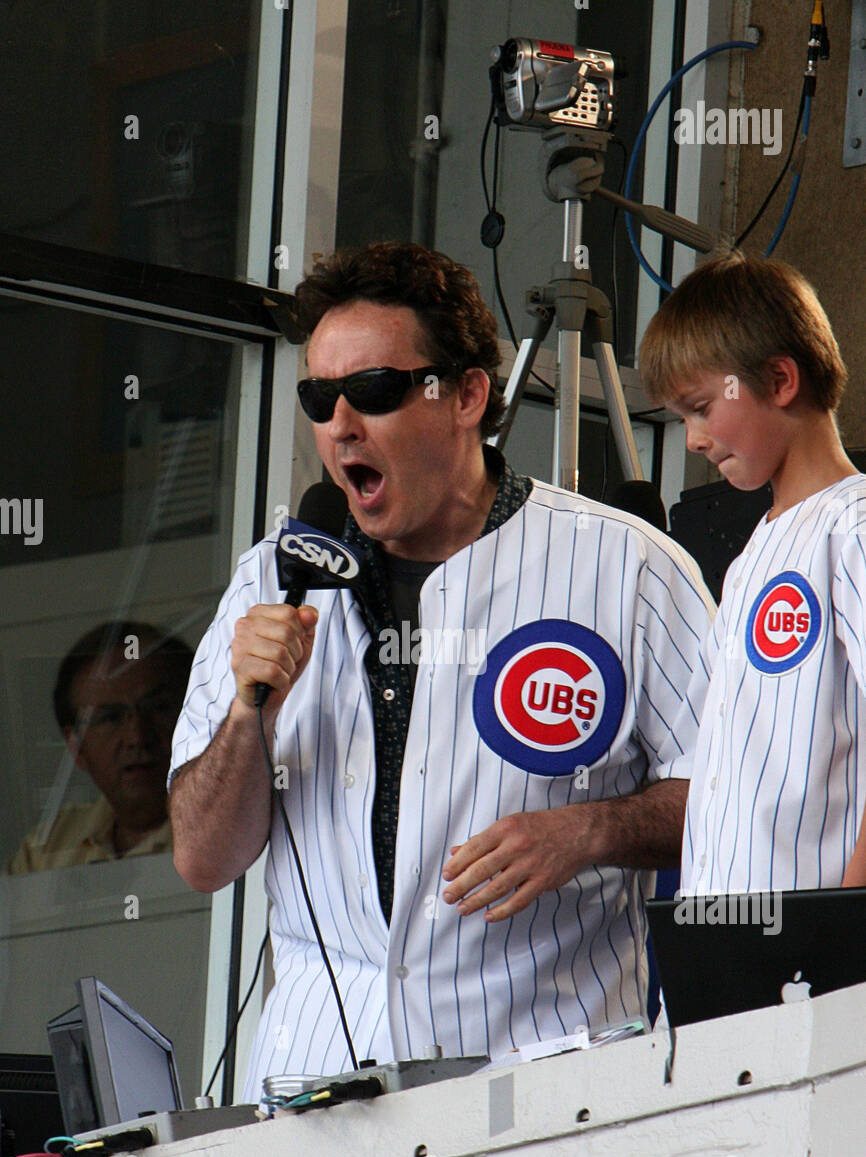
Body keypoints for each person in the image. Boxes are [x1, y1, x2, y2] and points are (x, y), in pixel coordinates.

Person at [169, 242, 714, 1098]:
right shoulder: (270, 581)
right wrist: (249, 715)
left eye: (374, 390)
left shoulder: (627, 567)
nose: (340, 424)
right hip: (318, 1092)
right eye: (319, 397)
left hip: (548, 1085)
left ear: (467, 396)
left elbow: (735, 800)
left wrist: (591, 831)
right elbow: (202, 860)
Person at [639, 249, 866, 893]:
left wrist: (844, 923)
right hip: (721, 926)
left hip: (813, 936)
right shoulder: (752, 554)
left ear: (779, 380)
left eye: (701, 407)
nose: (693, 439)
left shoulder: (853, 527)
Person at [7, 621, 192, 873]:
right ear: (77, 747)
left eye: (158, 708)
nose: (136, 737)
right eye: (111, 717)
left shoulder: (226, 828)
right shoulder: (48, 847)